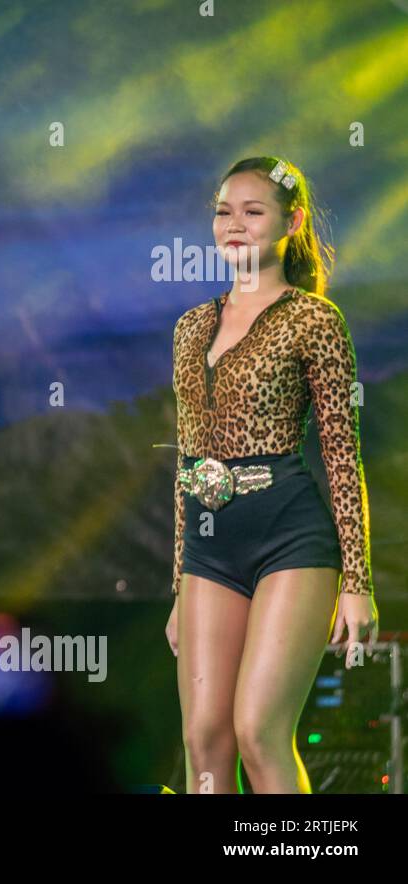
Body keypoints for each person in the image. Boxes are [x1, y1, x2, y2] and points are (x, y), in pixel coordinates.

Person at [165, 157, 377, 794]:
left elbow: (342, 451)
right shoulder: (189, 326)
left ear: (293, 221)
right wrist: (179, 580)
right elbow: (187, 459)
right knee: (204, 740)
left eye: (253, 212)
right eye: (224, 211)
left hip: (290, 533)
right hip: (210, 545)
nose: (234, 225)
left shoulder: (314, 318)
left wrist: (358, 582)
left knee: (258, 731)